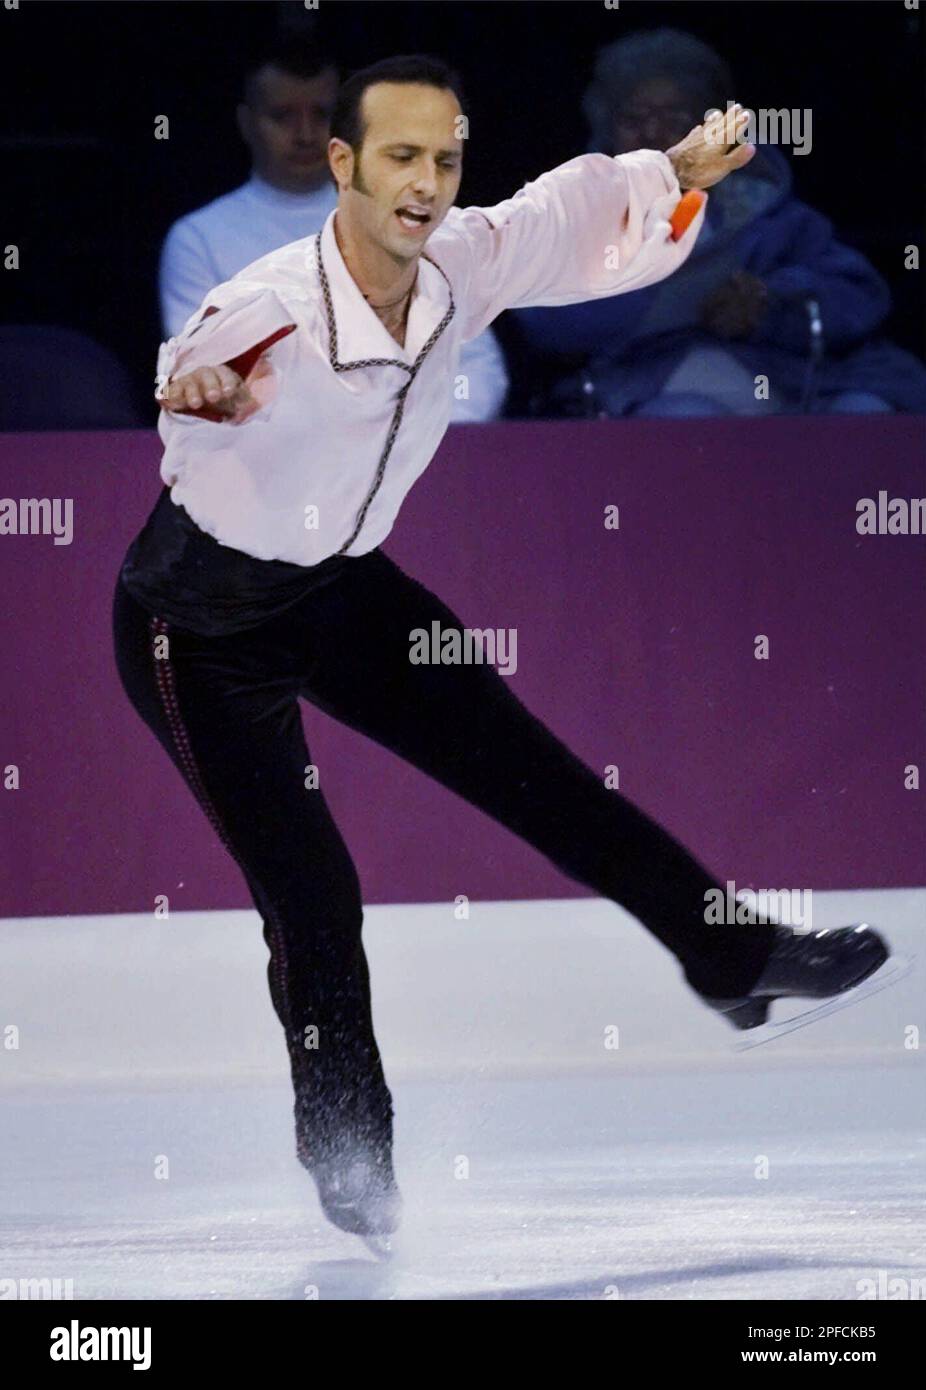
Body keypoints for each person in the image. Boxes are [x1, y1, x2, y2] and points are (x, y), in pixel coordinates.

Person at [112, 55, 891, 1249]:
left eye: (443, 158)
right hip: (198, 623)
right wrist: (203, 387)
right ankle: (348, 1146)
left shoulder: (458, 261)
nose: (425, 185)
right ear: (343, 165)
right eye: (399, 159)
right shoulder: (271, 302)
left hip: (339, 586)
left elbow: (561, 220)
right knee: (314, 892)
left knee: (534, 771)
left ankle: (730, 957)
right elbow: (188, 366)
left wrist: (671, 175)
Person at [512, 28, 926, 420]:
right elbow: (540, 319)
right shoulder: (581, 210)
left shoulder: (761, 205)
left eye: (674, 117)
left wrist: (768, 302)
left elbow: (861, 296)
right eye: (633, 118)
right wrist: (659, 292)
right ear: (607, 129)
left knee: (864, 411)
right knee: (687, 420)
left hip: (788, 375)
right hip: (653, 383)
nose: (653, 132)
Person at [159, 34, 509, 424]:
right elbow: (201, 374)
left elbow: (477, 366)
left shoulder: (406, 214)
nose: (306, 133)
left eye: (321, 114)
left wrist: (410, 444)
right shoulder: (200, 237)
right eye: (283, 115)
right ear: (246, 122)